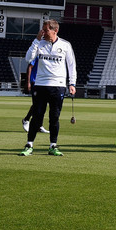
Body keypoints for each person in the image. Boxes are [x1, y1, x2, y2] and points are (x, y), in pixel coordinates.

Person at [18, 19, 76, 157]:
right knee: (37, 117)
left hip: (58, 86)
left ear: (55, 30)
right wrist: (36, 41)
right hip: (41, 85)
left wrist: (72, 83)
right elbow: (28, 58)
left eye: (46, 30)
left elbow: (72, 65)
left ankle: (53, 146)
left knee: (54, 118)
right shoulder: (39, 43)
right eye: (42, 30)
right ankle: (29, 145)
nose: (43, 32)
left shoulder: (65, 45)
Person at [21, 29, 49, 135]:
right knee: (37, 104)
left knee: (43, 105)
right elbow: (30, 66)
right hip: (35, 81)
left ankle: (39, 125)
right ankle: (26, 119)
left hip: (44, 82)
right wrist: (28, 82)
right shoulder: (38, 51)